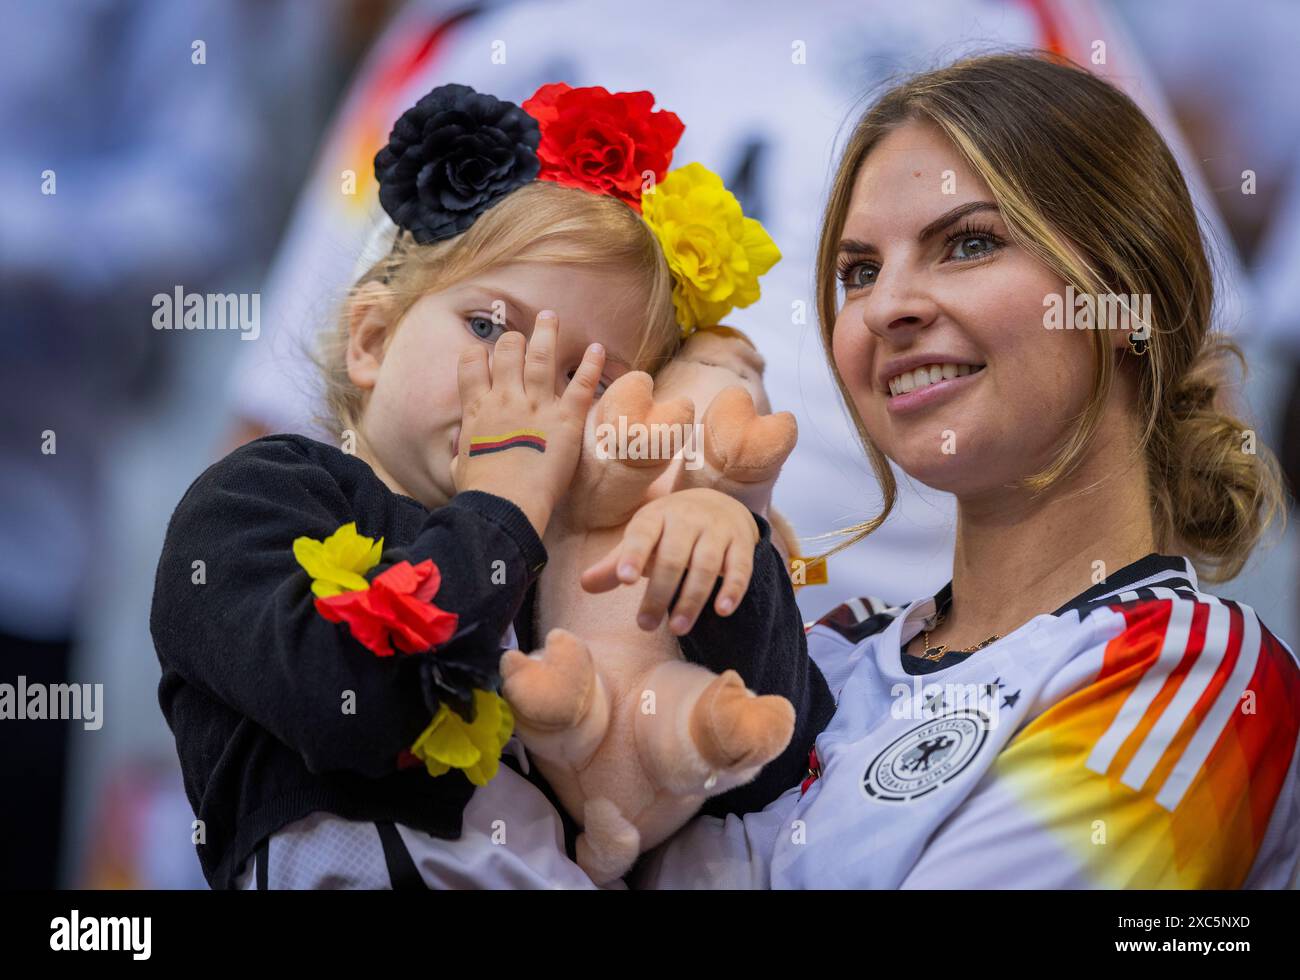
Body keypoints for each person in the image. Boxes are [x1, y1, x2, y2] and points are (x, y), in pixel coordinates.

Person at [634, 53, 1300, 889]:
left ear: (1124, 298)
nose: (885, 307)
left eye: (969, 244)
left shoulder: (1197, 673)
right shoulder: (829, 650)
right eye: (860, 271)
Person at [150, 80, 833, 889]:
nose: (530, 383)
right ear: (373, 338)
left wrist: (726, 544)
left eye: (588, 374)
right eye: (488, 327)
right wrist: (501, 506)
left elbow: (774, 770)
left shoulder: (574, 562)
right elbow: (349, 706)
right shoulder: (252, 501)